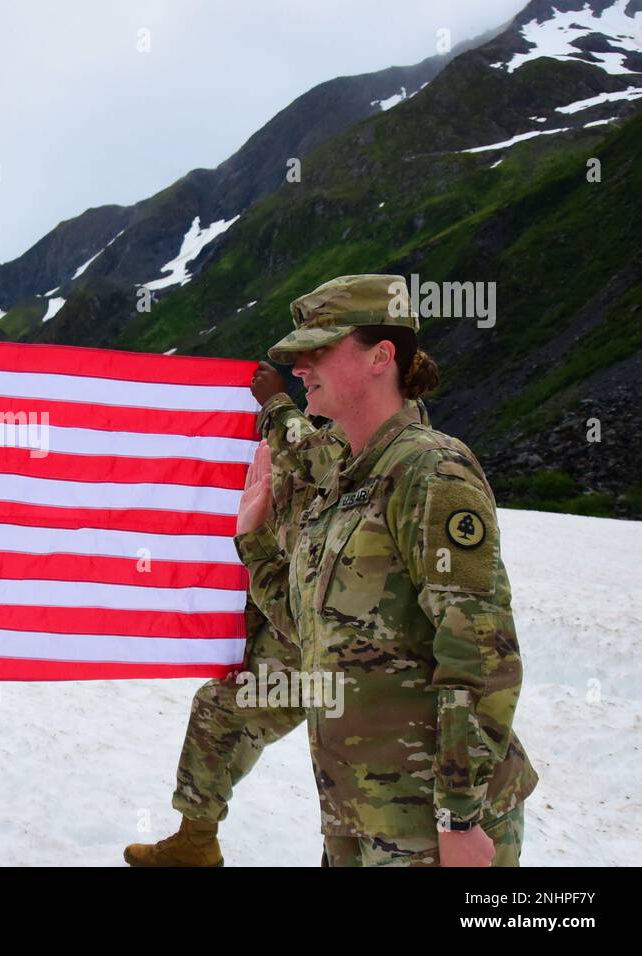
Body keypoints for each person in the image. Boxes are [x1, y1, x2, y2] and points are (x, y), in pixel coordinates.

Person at [234, 274, 538, 866]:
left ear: (381, 357)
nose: (300, 367)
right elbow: (314, 632)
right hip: (357, 817)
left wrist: (459, 815)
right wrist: (253, 543)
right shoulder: (340, 486)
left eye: (318, 349)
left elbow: (480, 652)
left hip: (429, 828)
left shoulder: (431, 471)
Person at [125, 365, 429, 866]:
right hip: (301, 627)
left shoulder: (395, 442)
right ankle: (196, 839)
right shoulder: (335, 430)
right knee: (221, 711)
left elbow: (320, 462)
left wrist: (276, 407)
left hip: (361, 651)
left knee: (354, 773)